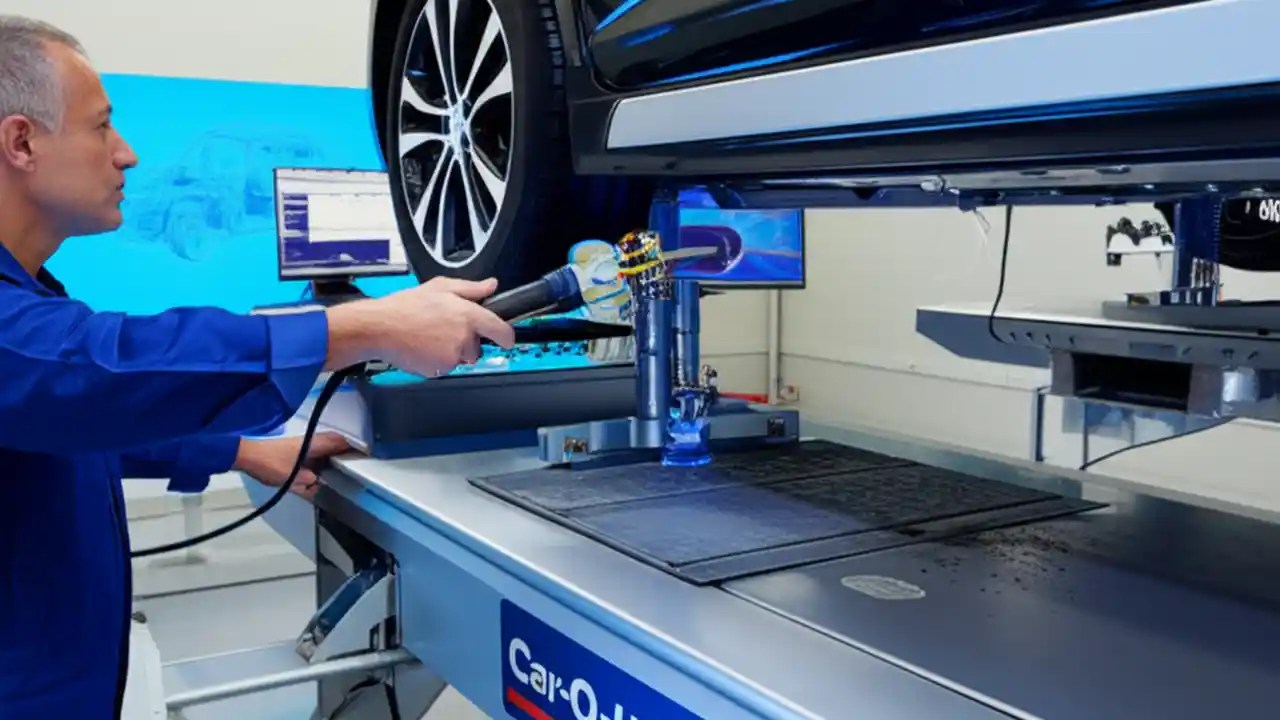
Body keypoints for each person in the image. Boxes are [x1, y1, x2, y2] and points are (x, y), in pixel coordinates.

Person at [0, 15, 515, 719]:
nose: (127, 155)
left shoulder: (30, 292)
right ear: (22, 141)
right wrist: (367, 326)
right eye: (101, 128)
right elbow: (101, 368)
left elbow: (65, 422)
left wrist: (242, 450)